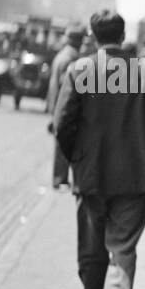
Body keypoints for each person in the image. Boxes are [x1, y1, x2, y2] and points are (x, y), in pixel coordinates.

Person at [53, 9, 145, 289]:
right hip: (134, 176)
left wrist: (77, 157)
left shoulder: (80, 70)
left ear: (93, 37)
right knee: (123, 248)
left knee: (91, 249)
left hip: (91, 176)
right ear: (123, 37)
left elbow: (62, 123)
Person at [47, 27, 85, 189]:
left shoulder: (61, 55)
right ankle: (60, 178)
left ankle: (60, 177)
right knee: (63, 143)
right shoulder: (72, 59)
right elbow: (67, 87)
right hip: (62, 106)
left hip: (55, 103)